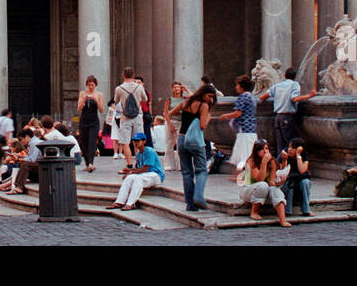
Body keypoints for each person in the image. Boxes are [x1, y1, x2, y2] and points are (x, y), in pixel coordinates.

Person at [168, 82, 216, 211]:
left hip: (182, 138)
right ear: (204, 94)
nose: (210, 99)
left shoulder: (187, 102)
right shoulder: (203, 105)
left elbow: (171, 112)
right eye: (209, 96)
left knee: (187, 172)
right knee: (201, 170)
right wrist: (208, 118)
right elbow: (202, 126)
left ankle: (190, 204)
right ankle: (198, 196)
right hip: (195, 140)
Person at [258, 67, 315, 156]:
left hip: (277, 117)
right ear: (295, 76)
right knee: (291, 144)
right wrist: (309, 95)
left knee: (280, 145)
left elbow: (262, 97)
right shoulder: (294, 85)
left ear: (285, 76)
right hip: (287, 117)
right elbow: (295, 98)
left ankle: (279, 165)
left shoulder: (277, 85)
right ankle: (288, 164)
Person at [237, 139, 291, 226]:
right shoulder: (251, 161)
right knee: (263, 185)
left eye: (267, 149)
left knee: (275, 190)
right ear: (257, 151)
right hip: (248, 190)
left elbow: (271, 182)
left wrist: (279, 183)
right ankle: (254, 212)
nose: (265, 152)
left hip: (264, 189)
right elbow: (260, 179)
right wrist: (264, 162)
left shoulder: (272, 162)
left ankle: (283, 220)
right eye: (262, 149)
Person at [107, 132, 165, 211]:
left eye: (138, 141)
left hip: (156, 175)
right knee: (129, 178)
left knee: (138, 179)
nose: (135, 143)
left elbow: (145, 168)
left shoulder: (149, 151)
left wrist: (131, 172)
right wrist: (129, 170)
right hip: (145, 175)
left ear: (144, 141)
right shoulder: (138, 153)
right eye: (134, 141)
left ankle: (130, 203)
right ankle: (119, 201)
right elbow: (138, 168)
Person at [215, 75, 258, 167]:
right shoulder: (252, 97)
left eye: (237, 85)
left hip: (244, 129)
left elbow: (238, 113)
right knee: (245, 151)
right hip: (251, 128)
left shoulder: (243, 97)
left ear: (242, 86)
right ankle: (239, 174)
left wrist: (225, 116)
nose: (236, 87)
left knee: (243, 152)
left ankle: (242, 174)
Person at [111, 68, 148, 168]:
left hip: (125, 116)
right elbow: (145, 99)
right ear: (133, 75)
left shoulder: (119, 88)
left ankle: (129, 164)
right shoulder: (139, 87)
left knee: (125, 142)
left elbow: (115, 100)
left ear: (123, 75)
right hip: (138, 115)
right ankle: (139, 163)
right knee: (138, 141)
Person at [76, 76, 105, 172]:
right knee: (84, 142)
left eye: (92, 85)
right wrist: (84, 99)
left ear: (95, 85)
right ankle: (87, 162)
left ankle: (91, 163)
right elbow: (79, 108)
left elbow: (101, 110)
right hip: (84, 119)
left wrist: (96, 100)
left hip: (93, 120)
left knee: (92, 141)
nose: (90, 87)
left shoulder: (99, 94)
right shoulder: (82, 93)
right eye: (89, 85)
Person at [280, 138, 313, 217]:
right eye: (289, 147)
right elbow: (283, 171)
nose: (290, 149)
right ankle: (287, 210)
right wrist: (284, 160)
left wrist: (298, 156)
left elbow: (302, 170)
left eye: (293, 147)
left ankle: (306, 210)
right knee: (290, 183)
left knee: (306, 182)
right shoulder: (286, 157)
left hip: (299, 185)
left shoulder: (304, 158)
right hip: (287, 186)